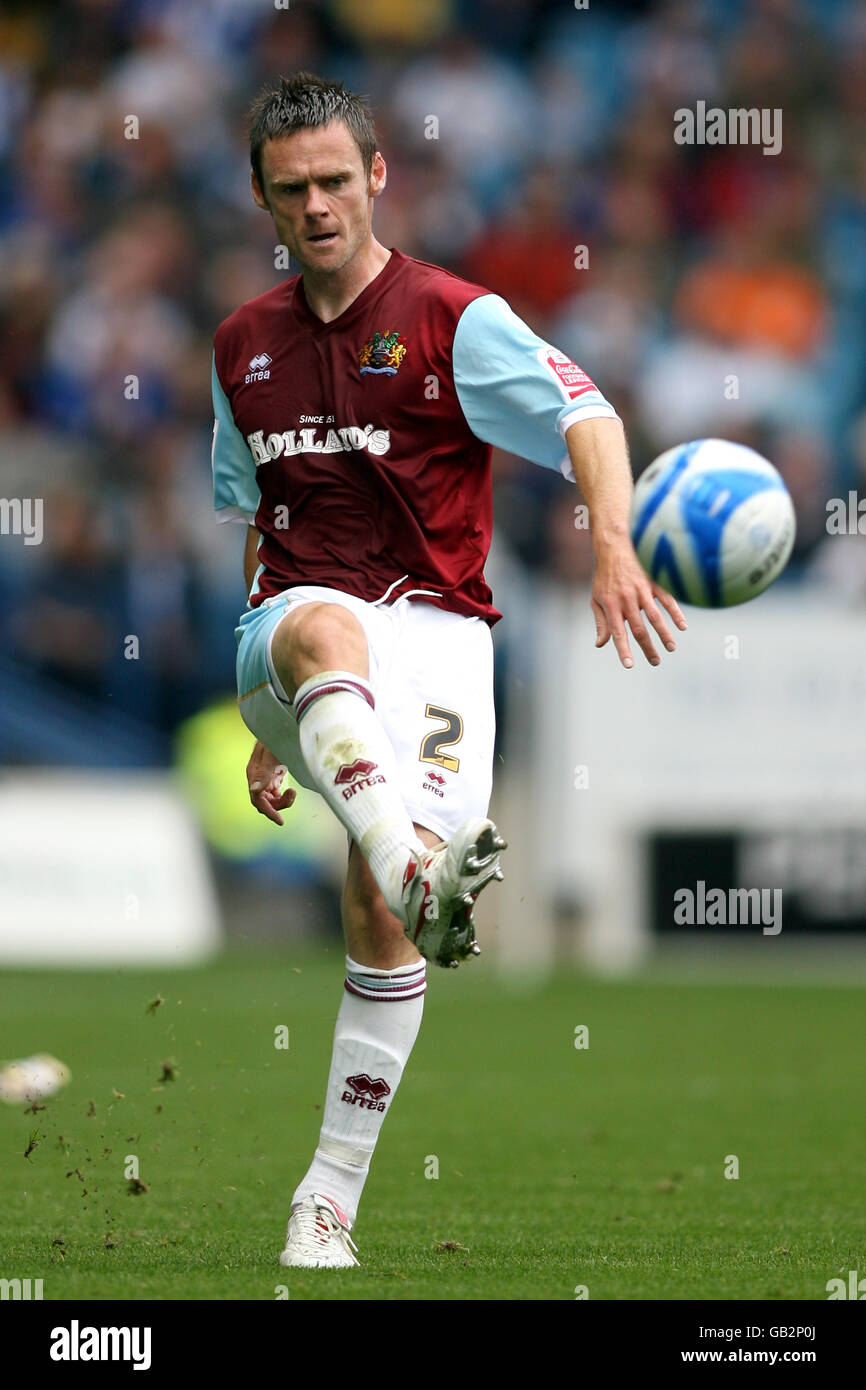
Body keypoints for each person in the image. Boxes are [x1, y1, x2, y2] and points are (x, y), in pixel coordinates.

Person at [210, 72, 686, 1269]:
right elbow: (256, 524)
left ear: (377, 177)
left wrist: (611, 546)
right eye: (291, 189)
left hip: (437, 637)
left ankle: (325, 1198)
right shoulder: (240, 346)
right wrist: (279, 723)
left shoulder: (452, 320)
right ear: (263, 200)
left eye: (334, 180)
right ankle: (415, 860)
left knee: (381, 918)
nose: (316, 205)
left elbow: (588, 417)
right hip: (297, 622)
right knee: (325, 638)